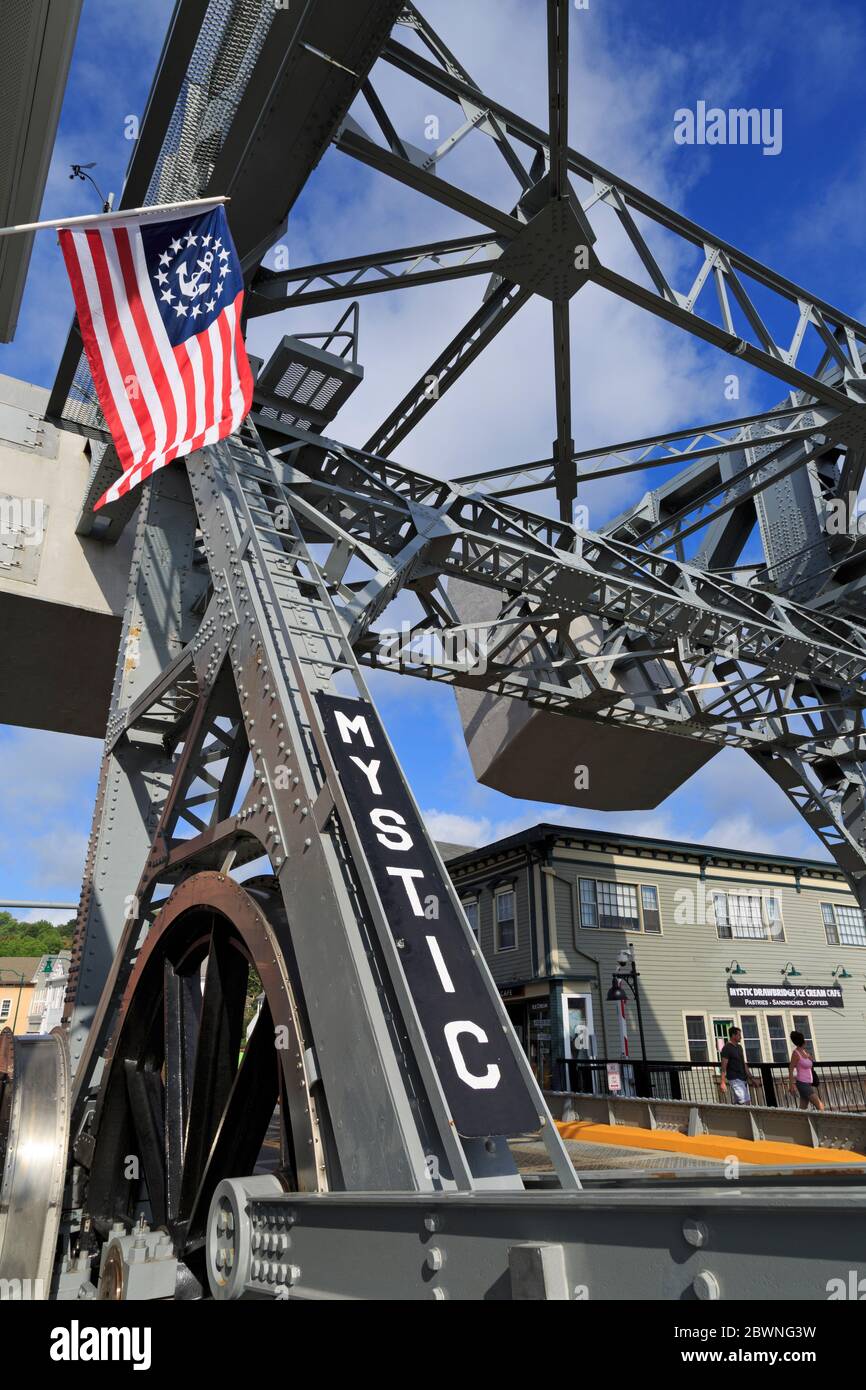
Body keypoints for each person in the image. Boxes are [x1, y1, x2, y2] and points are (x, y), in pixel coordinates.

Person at [718, 1026, 758, 1105]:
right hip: (734, 1078)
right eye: (739, 1035)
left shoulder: (739, 1047)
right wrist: (722, 1082)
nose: (741, 1037)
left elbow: (743, 1063)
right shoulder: (727, 1048)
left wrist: (751, 1078)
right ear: (733, 1035)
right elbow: (723, 1067)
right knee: (745, 1101)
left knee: (739, 1103)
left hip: (742, 1078)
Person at [789, 1030, 825, 1111]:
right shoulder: (796, 1053)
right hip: (802, 1083)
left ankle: (798, 1123)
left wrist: (809, 1057)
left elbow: (810, 1063)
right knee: (820, 1105)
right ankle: (820, 1123)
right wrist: (791, 1084)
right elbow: (791, 1068)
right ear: (802, 1041)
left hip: (808, 1083)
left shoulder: (805, 1052)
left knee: (803, 1108)